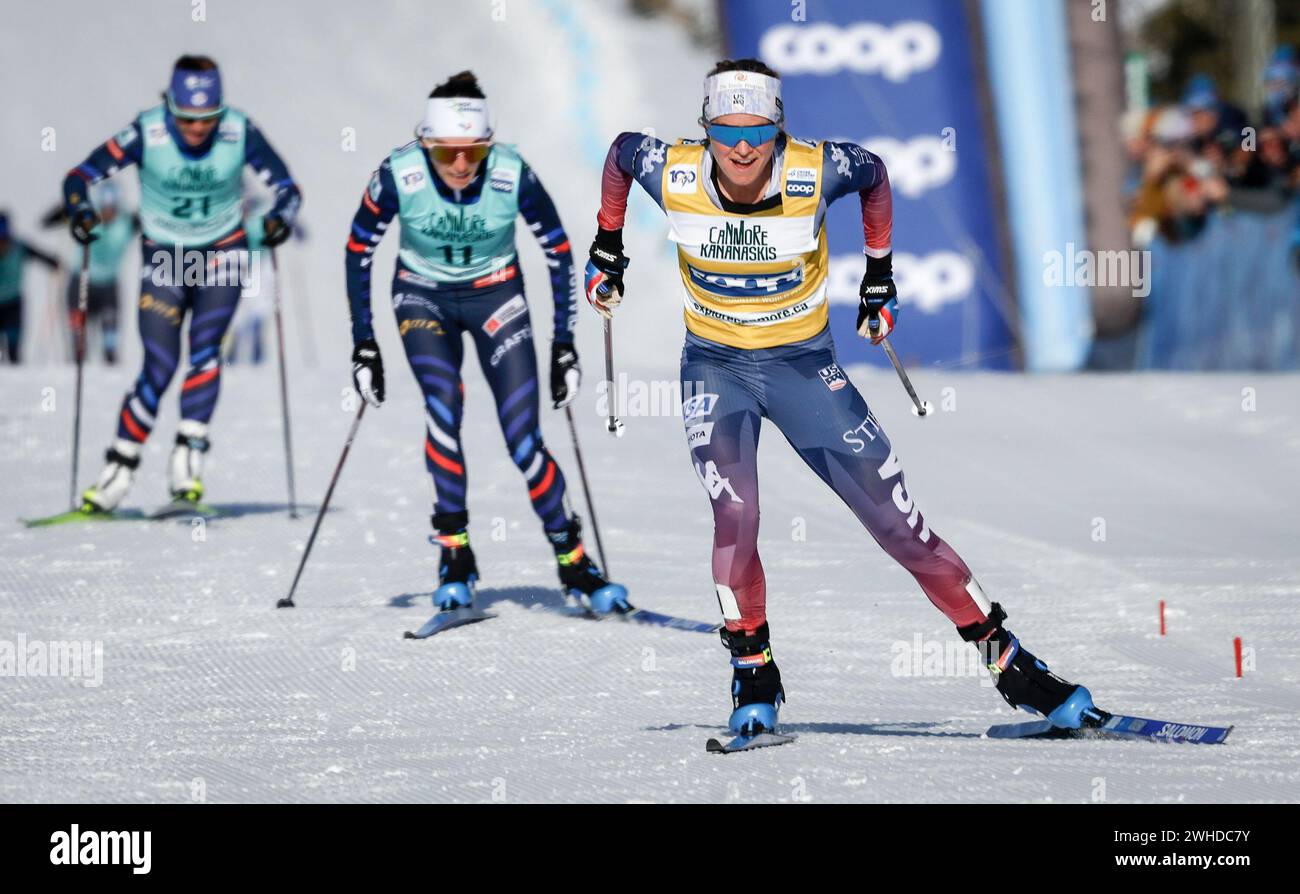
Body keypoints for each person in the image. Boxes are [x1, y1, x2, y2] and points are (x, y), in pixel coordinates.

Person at [584, 58, 1096, 738]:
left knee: (899, 530)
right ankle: (753, 673)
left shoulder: (817, 168)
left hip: (803, 369)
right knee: (734, 518)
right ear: (705, 130)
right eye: (727, 130)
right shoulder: (671, 170)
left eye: (758, 130)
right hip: (715, 368)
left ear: (778, 129)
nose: (742, 147)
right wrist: (607, 245)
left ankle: (1013, 664)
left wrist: (879, 275)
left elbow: (876, 174)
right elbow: (620, 154)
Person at [344, 71, 625, 613]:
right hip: (422, 299)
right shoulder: (397, 175)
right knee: (442, 411)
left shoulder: (511, 173)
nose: (459, 165)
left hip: (496, 299)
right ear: (425, 143)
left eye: (472, 151)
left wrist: (563, 343)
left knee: (523, 440)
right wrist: (365, 345)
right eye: (446, 152)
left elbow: (558, 251)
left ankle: (573, 561)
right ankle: (454, 553)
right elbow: (358, 251)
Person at [63, 55, 301, 511]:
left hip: (222, 254)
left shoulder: (238, 130)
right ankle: (117, 472)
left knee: (206, 349)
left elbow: (289, 189)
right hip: (167, 258)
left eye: (207, 118)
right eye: (187, 119)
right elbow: (79, 177)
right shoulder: (147, 131)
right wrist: (80, 211)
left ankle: (186, 467)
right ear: (170, 107)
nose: (197, 129)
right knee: (159, 362)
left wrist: (278, 221)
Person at [43, 181, 137, 364]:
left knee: (110, 345)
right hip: (81, 283)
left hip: (108, 287)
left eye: (112, 209)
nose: (108, 213)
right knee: (79, 345)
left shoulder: (128, 221)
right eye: (104, 208)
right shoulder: (86, 217)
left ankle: (110, 383)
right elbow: (47, 222)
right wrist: (68, 209)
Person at [0, 211, 61, 363]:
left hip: (13, 303)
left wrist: (54, 262)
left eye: (4, 240)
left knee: (14, 347)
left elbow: (40, 256)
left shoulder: (19, 247)